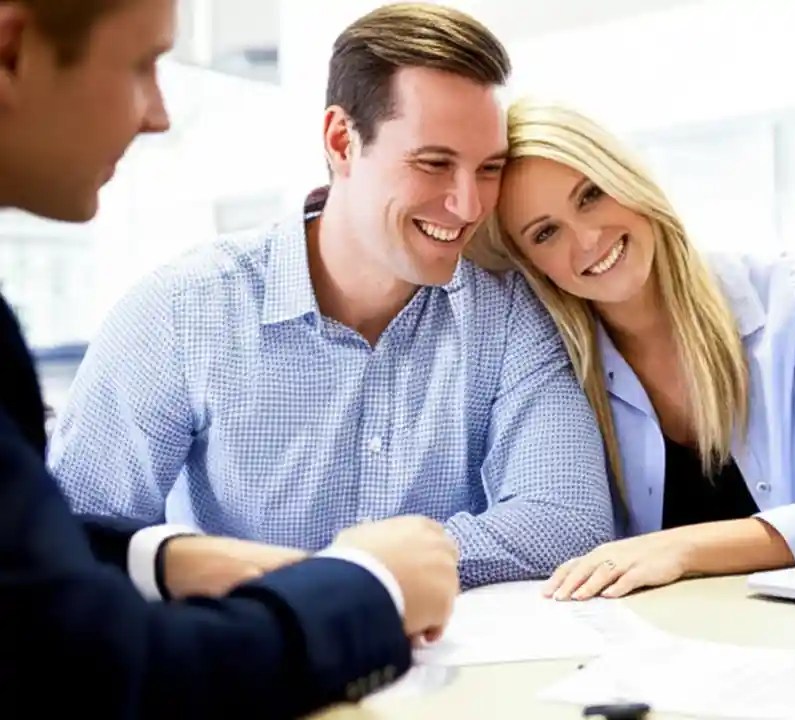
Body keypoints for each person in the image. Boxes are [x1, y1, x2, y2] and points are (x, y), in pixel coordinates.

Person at [46, 2, 615, 590]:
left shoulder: (508, 313)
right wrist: (357, 579)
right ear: (342, 141)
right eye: (434, 163)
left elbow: (566, 522)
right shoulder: (182, 313)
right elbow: (75, 538)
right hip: (247, 670)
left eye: (489, 168)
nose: (469, 206)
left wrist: (330, 576)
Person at [0, 0, 463, 716]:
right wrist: (367, 584)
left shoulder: (492, 306)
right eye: (141, 65)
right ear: (8, 52)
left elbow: (33, 582)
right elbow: (96, 678)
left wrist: (163, 558)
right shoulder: (183, 305)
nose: (158, 115)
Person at [477, 98, 795, 601]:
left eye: (591, 195)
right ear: (533, 264)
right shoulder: (554, 369)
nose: (589, 238)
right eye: (546, 232)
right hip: (676, 642)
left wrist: (678, 548)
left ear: (627, 179)